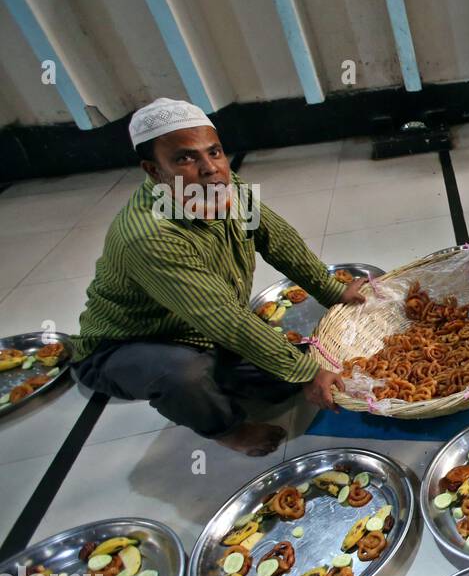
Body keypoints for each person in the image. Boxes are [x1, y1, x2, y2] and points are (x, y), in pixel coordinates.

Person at [71, 98, 365, 457]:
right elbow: (224, 318)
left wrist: (331, 290)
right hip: (128, 344)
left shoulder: (224, 187)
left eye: (215, 152)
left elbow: (278, 240)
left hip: (202, 332)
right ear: (153, 170)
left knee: (281, 381)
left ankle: (219, 379)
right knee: (183, 373)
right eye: (185, 158)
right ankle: (228, 430)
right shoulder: (150, 234)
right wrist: (306, 373)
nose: (210, 168)